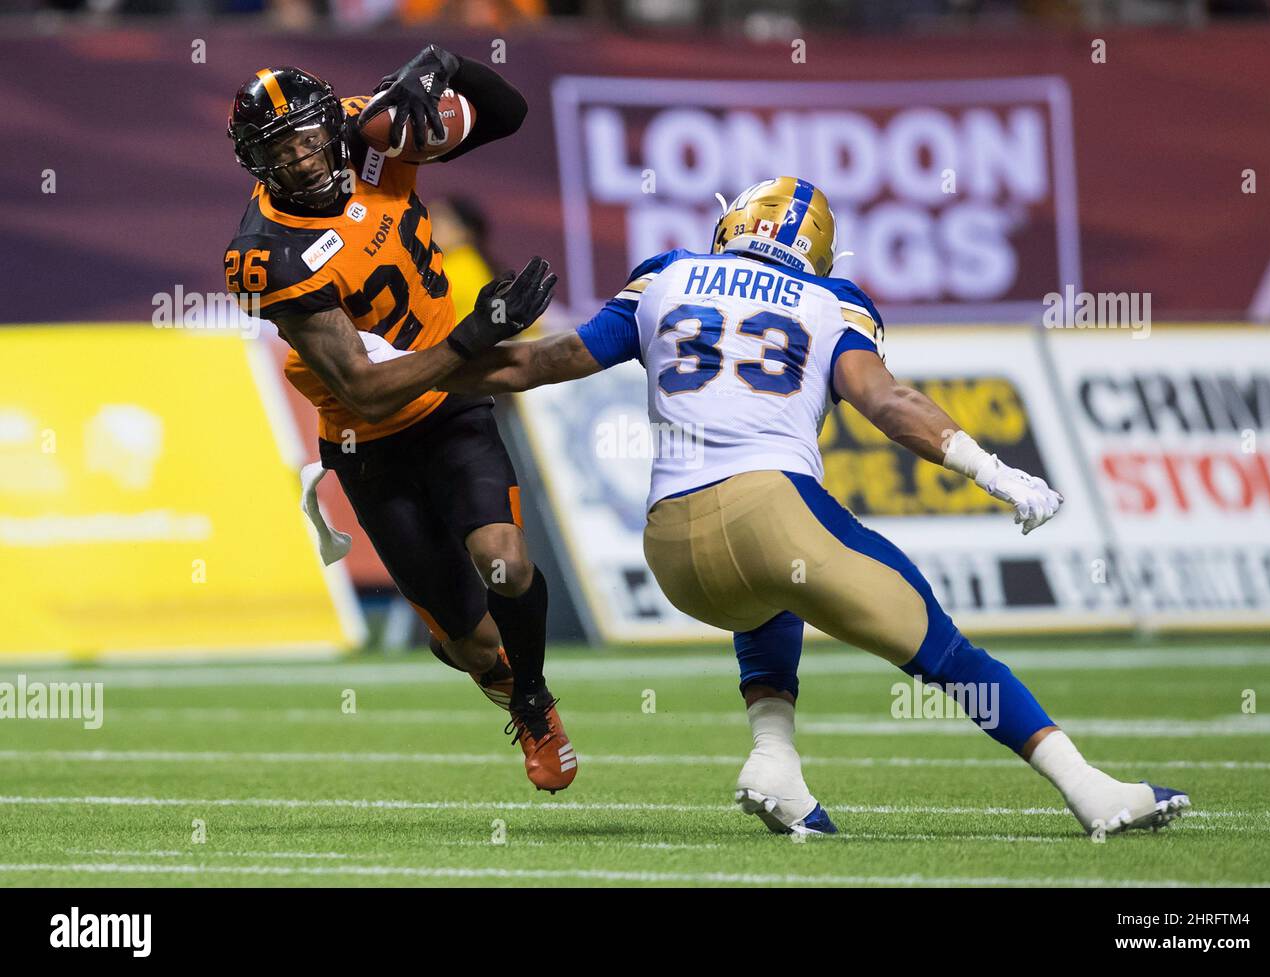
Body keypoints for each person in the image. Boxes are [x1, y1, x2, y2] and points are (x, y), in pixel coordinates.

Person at [435, 176, 1191, 833]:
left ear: (731, 224)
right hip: (770, 509)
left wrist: (401, 378)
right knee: (950, 652)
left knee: (772, 596)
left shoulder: (666, 274)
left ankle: (776, 762)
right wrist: (994, 471)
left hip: (672, 550)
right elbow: (887, 403)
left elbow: (539, 362)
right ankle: (1092, 791)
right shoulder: (831, 299)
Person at [222, 46, 577, 792]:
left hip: (449, 404)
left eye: (308, 135)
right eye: (280, 149)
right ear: (256, 163)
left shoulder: (372, 130)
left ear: (331, 123)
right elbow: (366, 389)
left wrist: (442, 64)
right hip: (368, 437)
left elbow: (507, 113)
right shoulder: (269, 254)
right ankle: (493, 667)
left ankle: (537, 704)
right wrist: (474, 335)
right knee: (474, 646)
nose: (303, 155)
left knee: (505, 560)